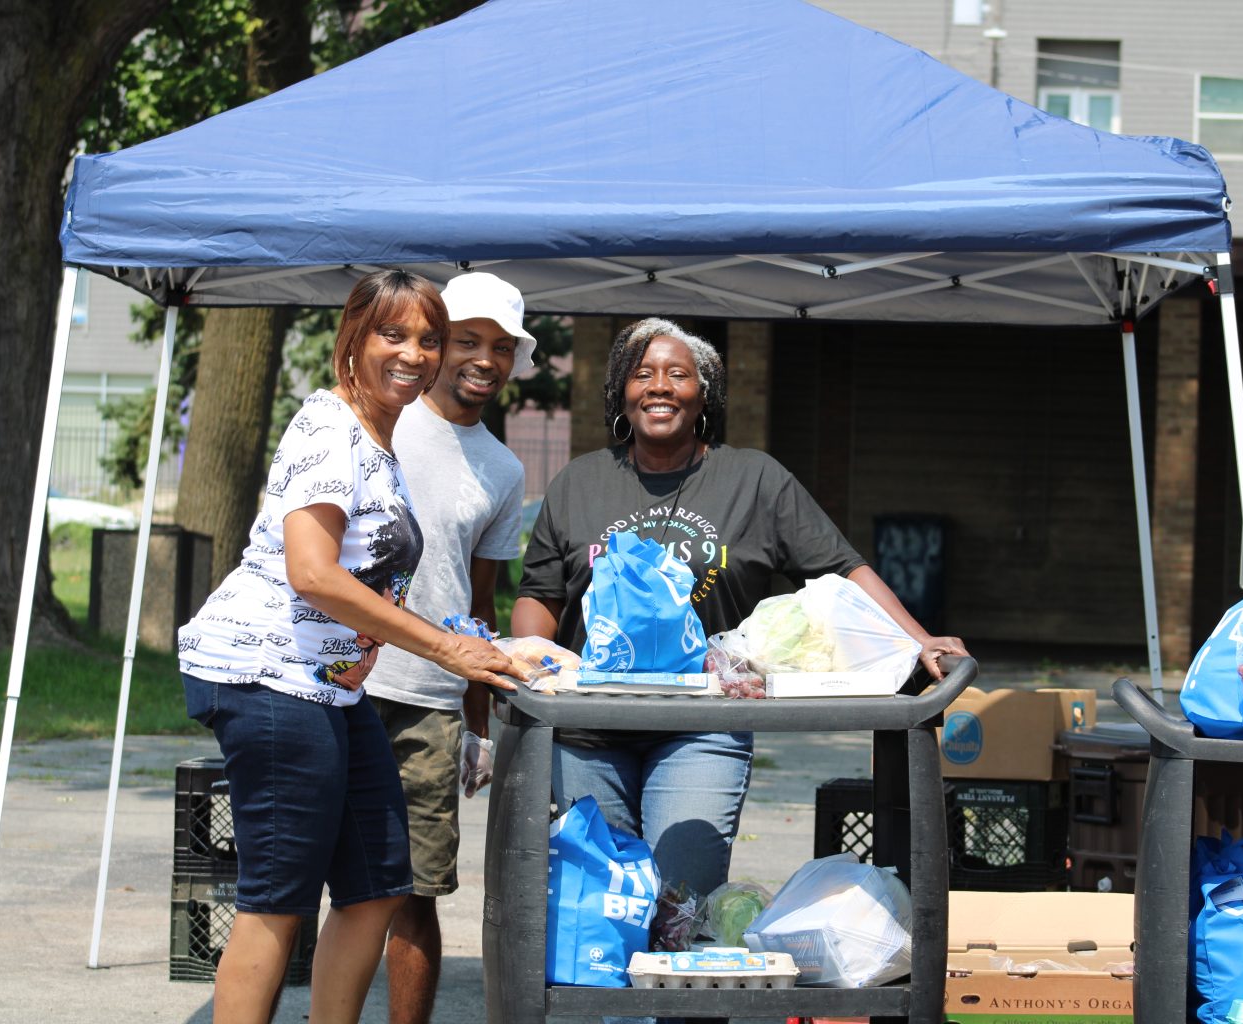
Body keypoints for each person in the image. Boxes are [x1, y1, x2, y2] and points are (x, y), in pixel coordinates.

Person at [513, 317, 967, 1024]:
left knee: (682, 904)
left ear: (705, 393)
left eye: (678, 373)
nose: (659, 385)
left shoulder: (754, 479)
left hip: (704, 729)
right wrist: (529, 664)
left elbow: (842, 569)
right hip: (587, 732)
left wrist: (917, 640)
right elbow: (539, 595)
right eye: (642, 372)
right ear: (620, 392)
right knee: (607, 911)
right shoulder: (578, 485)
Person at [177, 269, 522, 1024]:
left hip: (332, 688)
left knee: (378, 882)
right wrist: (443, 650)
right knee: (280, 896)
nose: (414, 353)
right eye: (392, 334)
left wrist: (477, 661)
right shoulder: (327, 426)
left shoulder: (381, 439)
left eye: (428, 339)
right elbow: (312, 573)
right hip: (269, 674)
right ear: (354, 340)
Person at [363, 272, 534, 1024]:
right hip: (340, 684)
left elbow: (480, 603)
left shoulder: (504, 469)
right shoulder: (377, 418)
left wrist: (477, 726)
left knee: (414, 892)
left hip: (431, 704)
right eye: (467, 340)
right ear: (436, 342)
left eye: (501, 347)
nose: (484, 359)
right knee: (309, 882)